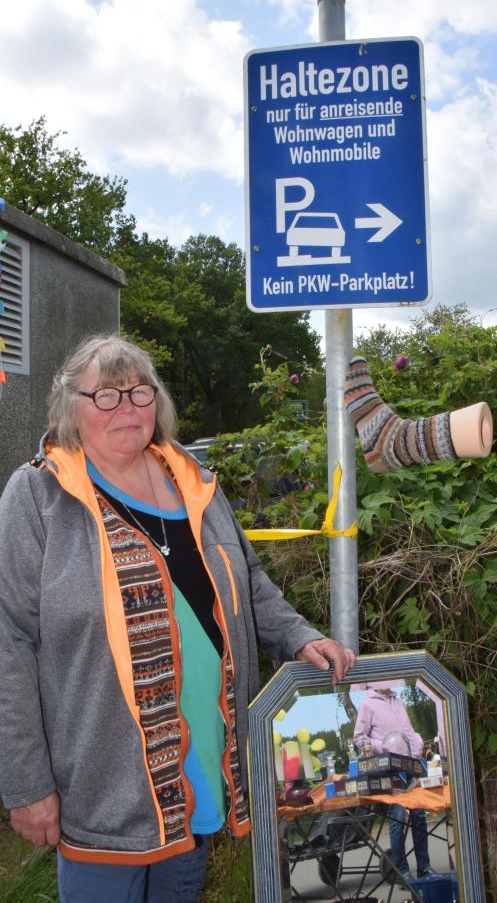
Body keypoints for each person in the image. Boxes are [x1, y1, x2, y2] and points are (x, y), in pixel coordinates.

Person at [0, 334, 355, 903]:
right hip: (104, 784)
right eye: (107, 395)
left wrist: (298, 636)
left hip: (203, 765)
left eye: (140, 392)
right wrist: (26, 782)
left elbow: (250, 579)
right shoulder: (38, 496)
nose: (128, 408)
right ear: (71, 406)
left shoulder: (194, 480)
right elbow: (9, 641)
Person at [353, 682, 434, 883]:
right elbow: (358, 738)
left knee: (419, 814)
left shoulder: (399, 702)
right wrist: (385, 745)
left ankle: (424, 868)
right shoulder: (367, 704)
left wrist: (417, 745)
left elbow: (408, 732)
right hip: (387, 769)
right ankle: (401, 871)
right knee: (398, 814)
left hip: (409, 766)